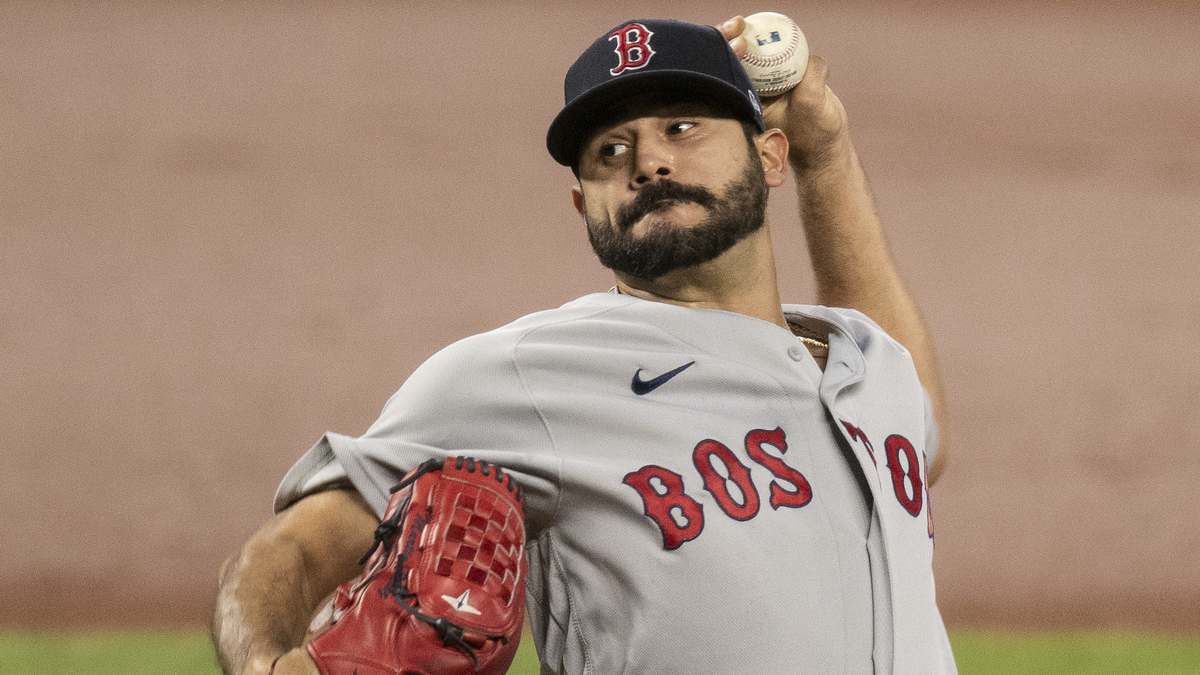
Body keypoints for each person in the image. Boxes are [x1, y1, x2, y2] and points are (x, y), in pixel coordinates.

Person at [211, 15, 955, 675]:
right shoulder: (526, 374)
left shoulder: (867, 361)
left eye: (683, 128)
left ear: (768, 157)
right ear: (582, 205)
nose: (649, 162)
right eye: (610, 150)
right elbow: (294, 548)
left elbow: (916, 428)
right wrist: (262, 663)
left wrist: (827, 157)